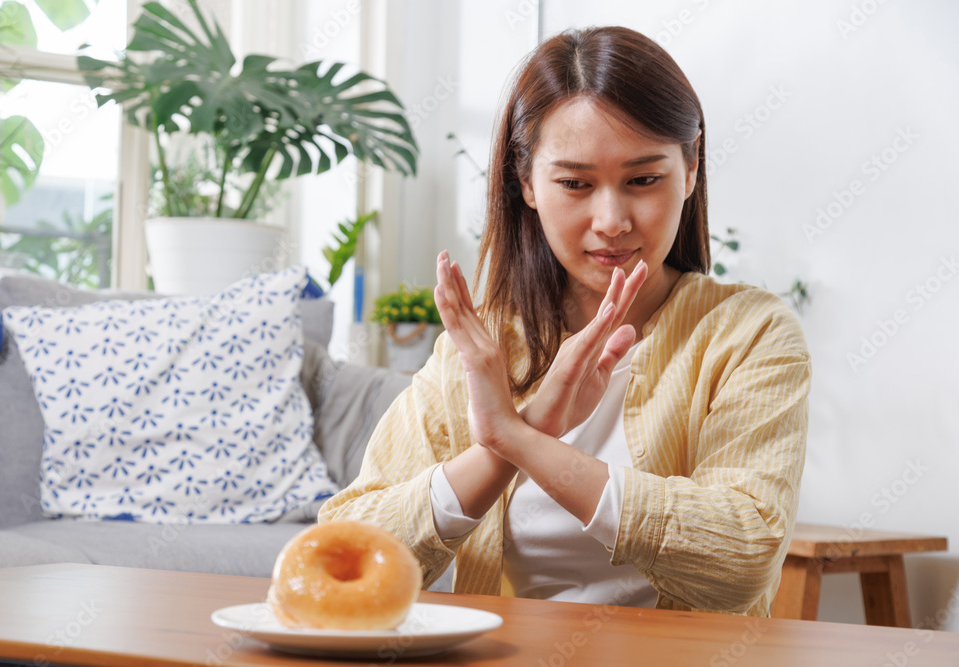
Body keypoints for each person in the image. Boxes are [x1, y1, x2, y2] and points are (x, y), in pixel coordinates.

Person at [319, 26, 810, 617]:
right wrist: (502, 448)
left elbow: (742, 560)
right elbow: (342, 549)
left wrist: (522, 439)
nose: (611, 220)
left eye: (644, 180)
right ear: (526, 182)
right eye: (575, 184)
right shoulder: (485, 345)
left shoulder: (748, 331)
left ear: (691, 167)